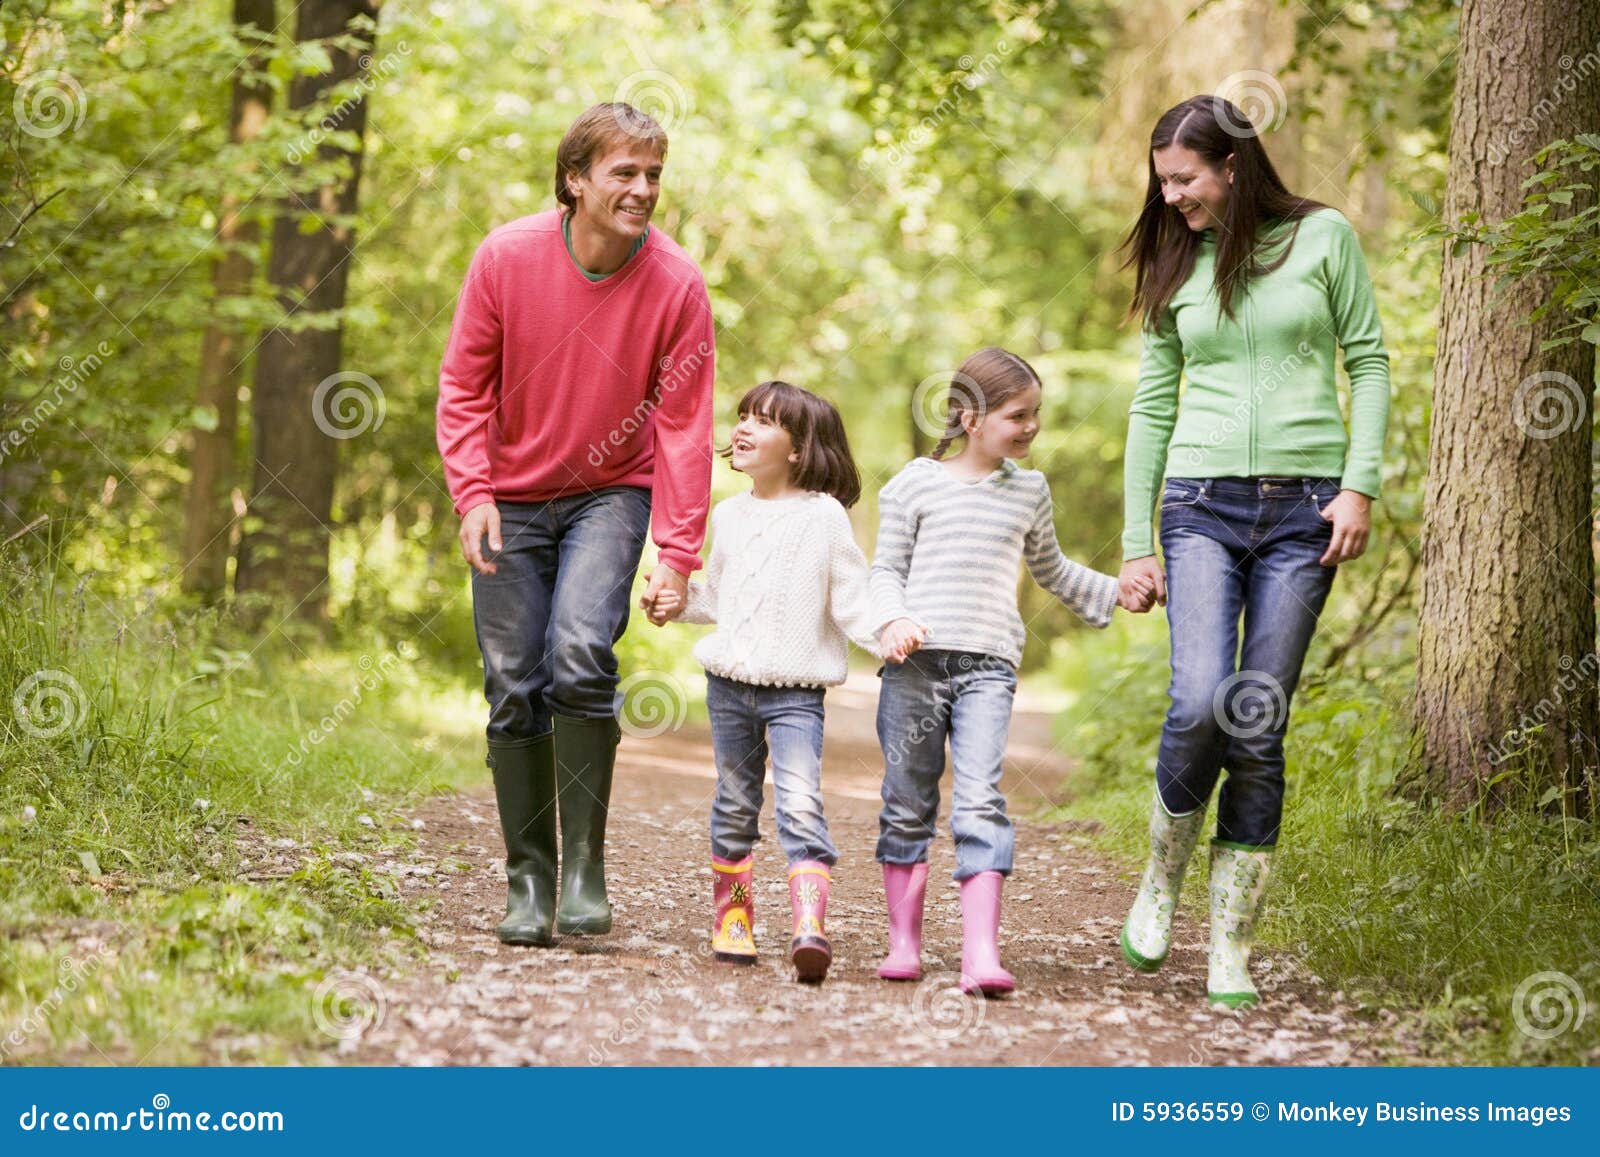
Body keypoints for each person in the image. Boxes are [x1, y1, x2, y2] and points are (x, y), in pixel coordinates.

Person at [1116, 95, 1389, 1008]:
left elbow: (1370, 362)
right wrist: (1132, 543)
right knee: (1200, 698)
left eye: (1183, 179)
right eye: (1162, 181)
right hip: (1200, 504)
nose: (1171, 195)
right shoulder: (1174, 259)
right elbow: (1153, 403)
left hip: (1307, 507)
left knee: (1257, 718)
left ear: (1232, 166)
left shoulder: (1323, 239)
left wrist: (1359, 484)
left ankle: (1230, 945)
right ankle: (1161, 878)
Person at [436, 103, 715, 947]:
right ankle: (529, 878)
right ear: (576, 179)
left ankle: (584, 866)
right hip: (511, 497)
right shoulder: (506, 256)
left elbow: (683, 425)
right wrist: (473, 492)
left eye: (653, 175)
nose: (641, 190)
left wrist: (676, 551)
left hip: (609, 492)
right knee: (513, 680)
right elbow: (463, 387)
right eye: (624, 173)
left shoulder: (675, 283)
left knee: (581, 651)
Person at [870, 347, 1153, 996]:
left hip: (987, 670)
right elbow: (884, 570)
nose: (1031, 427)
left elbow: (1052, 569)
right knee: (907, 799)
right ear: (970, 418)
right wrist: (892, 618)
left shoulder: (1028, 489)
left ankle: (980, 953)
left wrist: (1116, 591)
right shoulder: (914, 482)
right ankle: (904, 942)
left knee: (979, 798)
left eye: (1037, 415)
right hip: (914, 667)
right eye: (1017, 415)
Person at [649, 381, 879, 985]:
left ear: (800, 448)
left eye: (765, 422)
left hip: (796, 692)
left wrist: (893, 634)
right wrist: (676, 600)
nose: (744, 428)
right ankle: (734, 920)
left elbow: (852, 601)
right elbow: (720, 598)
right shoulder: (727, 515)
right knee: (733, 802)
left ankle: (810, 928)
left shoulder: (826, 518)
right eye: (743, 417)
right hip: (728, 686)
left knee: (801, 802)